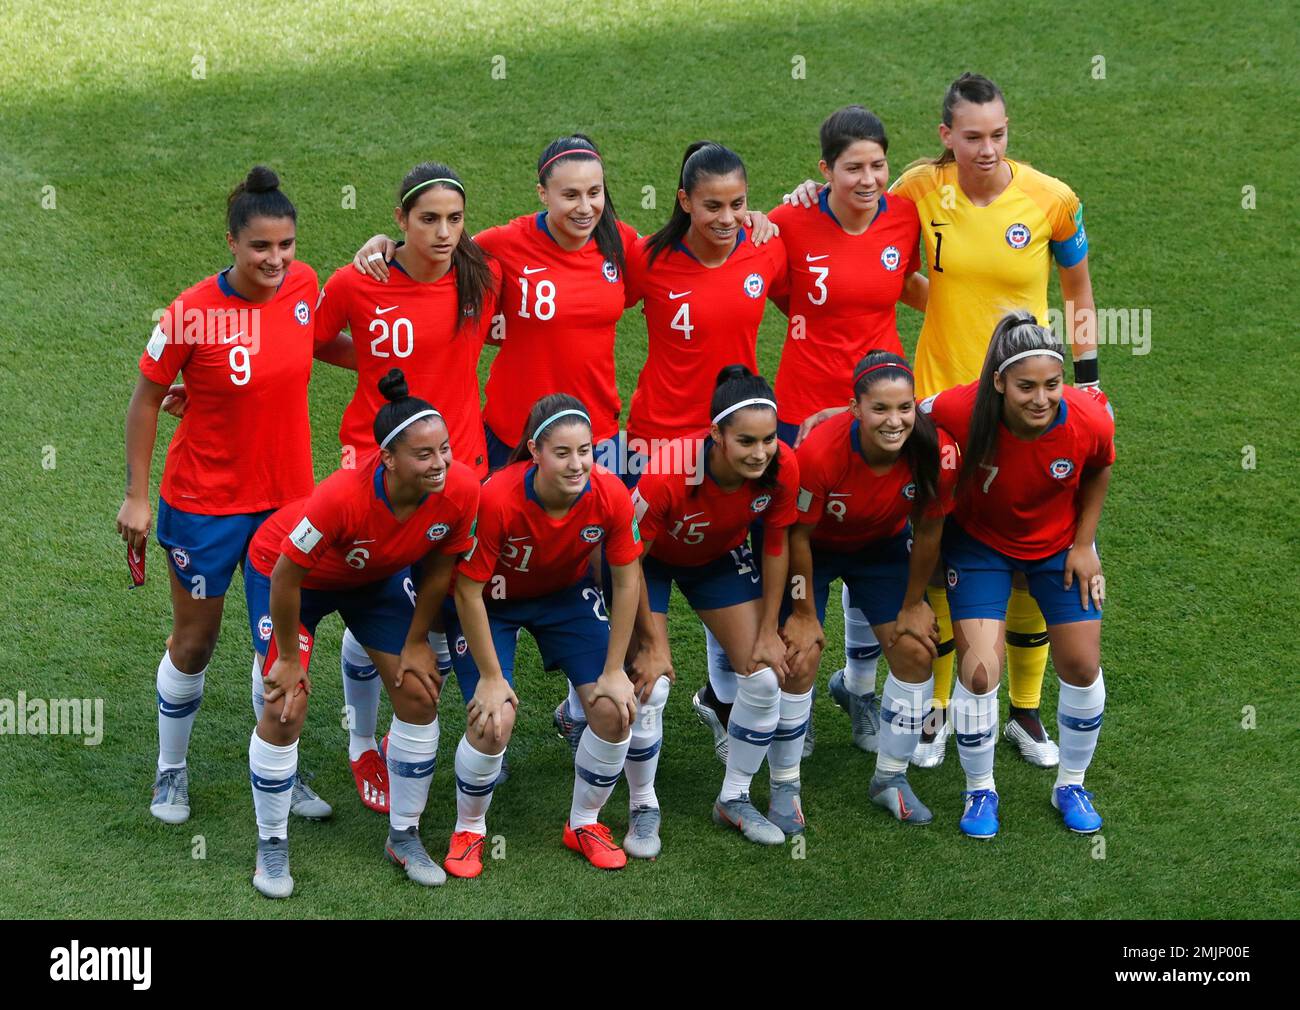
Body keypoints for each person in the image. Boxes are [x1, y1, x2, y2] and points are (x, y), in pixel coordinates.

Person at [789, 80, 1099, 768]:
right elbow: (864, 216)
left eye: (998, 134)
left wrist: (1090, 381)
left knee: (1030, 546)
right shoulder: (919, 190)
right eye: (973, 136)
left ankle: (1023, 712)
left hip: (1025, 406)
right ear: (946, 136)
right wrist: (805, 199)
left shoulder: (1053, 198)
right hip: (938, 406)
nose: (986, 149)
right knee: (931, 552)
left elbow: (1077, 289)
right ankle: (929, 707)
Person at [117, 166, 350, 826]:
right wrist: (137, 496)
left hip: (286, 504)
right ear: (232, 242)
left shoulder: (303, 287)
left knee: (279, 645)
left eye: (286, 246)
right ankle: (171, 771)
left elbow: (314, 340)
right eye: (260, 247)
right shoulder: (190, 313)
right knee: (195, 641)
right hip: (203, 504)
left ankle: (282, 764)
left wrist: (404, 353)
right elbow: (144, 401)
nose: (275, 260)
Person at [693, 105, 926, 763]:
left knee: (874, 532)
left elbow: (906, 284)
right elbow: (759, 281)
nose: (868, 178)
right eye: (853, 167)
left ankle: (857, 688)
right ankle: (724, 694)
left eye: (877, 165)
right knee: (765, 543)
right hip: (798, 416)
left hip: (882, 412)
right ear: (824, 171)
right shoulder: (789, 222)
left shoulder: (904, 217)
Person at [552, 141, 788, 755]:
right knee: (628, 564)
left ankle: (720, 695)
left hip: (730, 448)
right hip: (656, 448)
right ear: (683, 201)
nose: (727, 218)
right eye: (712, 205)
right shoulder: (647, 259)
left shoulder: (766, 244)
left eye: (738, 204)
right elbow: (588, 289)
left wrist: (794, 203)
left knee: (722, 545)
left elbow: (815, 284)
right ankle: (594, 690)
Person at [243, 370, 480, 897]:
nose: (440, 463)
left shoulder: (459, 488)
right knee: (286, 705)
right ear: (388, 459)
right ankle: (272, 845)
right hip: (290, 578)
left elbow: (442, 565)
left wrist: (417, 638)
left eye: (444, 449)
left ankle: (404, 835)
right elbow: (285, 575)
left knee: (418, 694)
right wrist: (287, 657)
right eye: (425, 455)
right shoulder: (340, 498)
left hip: (371, 580)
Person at [313, 162, 500, 813]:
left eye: (454, 218)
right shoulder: (357, 282)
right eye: (428, 219)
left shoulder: (482, 275)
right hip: (378, 467)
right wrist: (370, 352)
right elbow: (307, 339)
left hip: (460, 471)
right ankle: (363, 740)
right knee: (378, 597)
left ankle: (401, 732)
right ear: (400, 220)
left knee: (446, 605)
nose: (444, 232)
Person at [920, 313, 1113, 838]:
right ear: (999, 382)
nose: (1041, 398)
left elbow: (1099, 467)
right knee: (980, 671)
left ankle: (1071, 783)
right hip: (980, 547)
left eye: (1052, 384)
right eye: (1026, 386)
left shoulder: (1089, 418)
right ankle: (979, 790)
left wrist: (1084, 545)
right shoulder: (962, 407)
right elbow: (906, 419)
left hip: (1057, 548)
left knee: (1082, 666)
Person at [440, 395, 643, 877]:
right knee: (493, 721)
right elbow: (468, 592)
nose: (578, 465)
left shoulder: (610, 494)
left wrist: (614, 670)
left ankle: (584, 823)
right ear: (535, 450)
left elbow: (629, 578)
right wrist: (491, 677)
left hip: (563, 597)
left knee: (615, 710)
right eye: (563, 453)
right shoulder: (496, 499)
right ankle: (469, 829)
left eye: (586, 451)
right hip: (491, 602)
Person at [782, 351, 960, 825]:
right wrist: (802, 613)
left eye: (904, 408)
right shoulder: (819, 452)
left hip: (880, 549)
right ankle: (784, 787)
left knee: (917, 650)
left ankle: (891, 778)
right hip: (814, 551)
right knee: (798, 657)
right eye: (879, 409)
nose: (894, 420)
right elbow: (795, 535)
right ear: (854, 409)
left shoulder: (931, 451)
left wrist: (912, 604)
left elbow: (927, 530)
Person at [627, 366, 800, 851]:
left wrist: (769, 629)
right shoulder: (669, 472)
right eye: (746, 441)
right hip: (647, 566)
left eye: (768, 439)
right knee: (651, 686)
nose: (760, 452)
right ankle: (643, 805)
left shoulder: (782, 466)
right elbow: (626, 562)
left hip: (717, 560)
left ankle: (734, 798)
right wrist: (655, 644)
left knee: (765, 675)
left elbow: (775, 544)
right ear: (715, 435)